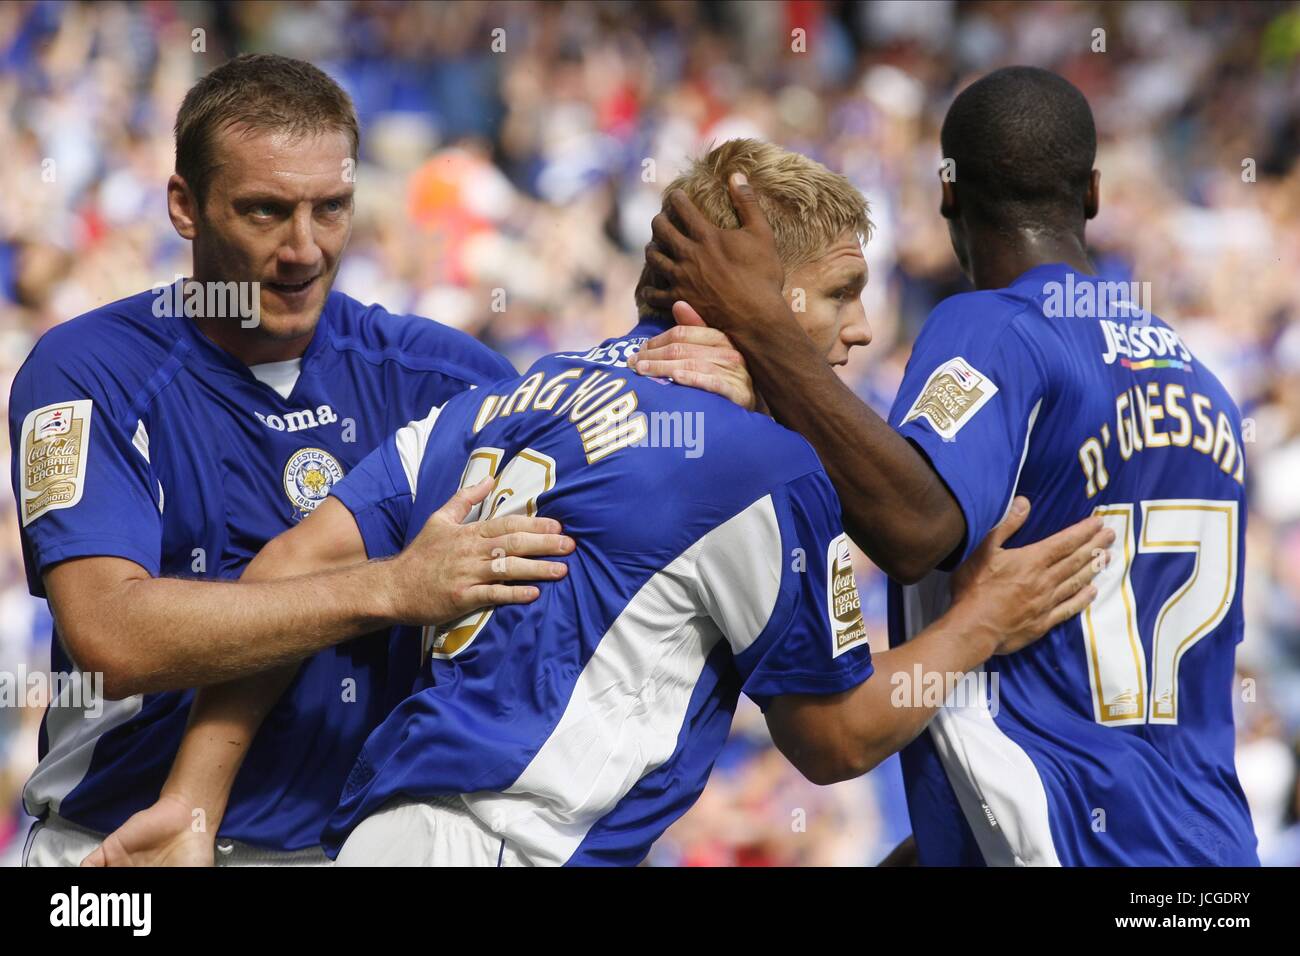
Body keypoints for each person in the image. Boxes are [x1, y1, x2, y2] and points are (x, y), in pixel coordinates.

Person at [84, 140, 1107, 867]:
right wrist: (983, 620)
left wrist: (193, 799)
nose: (863, 328)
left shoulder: (505, 401)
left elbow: (289, 569)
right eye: (839, 291)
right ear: (750, 293)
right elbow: (831, 741)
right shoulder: (763, 464)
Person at [638, 69, 1257, 865]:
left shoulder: (994, 325)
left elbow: (917, 528)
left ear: (949, 195)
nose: (859, 329)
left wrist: (763, 330)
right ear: (1093, 193)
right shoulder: (1199, 381)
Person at [12, 52, 616, 867]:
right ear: (185, 207)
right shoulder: (87, 372)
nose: (304, 249)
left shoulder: (439, 375)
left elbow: (610, 441)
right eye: (264, 212)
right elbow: (116, 642)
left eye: (330, 208)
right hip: (113, 850)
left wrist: (695, 363)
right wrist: (391, 588)